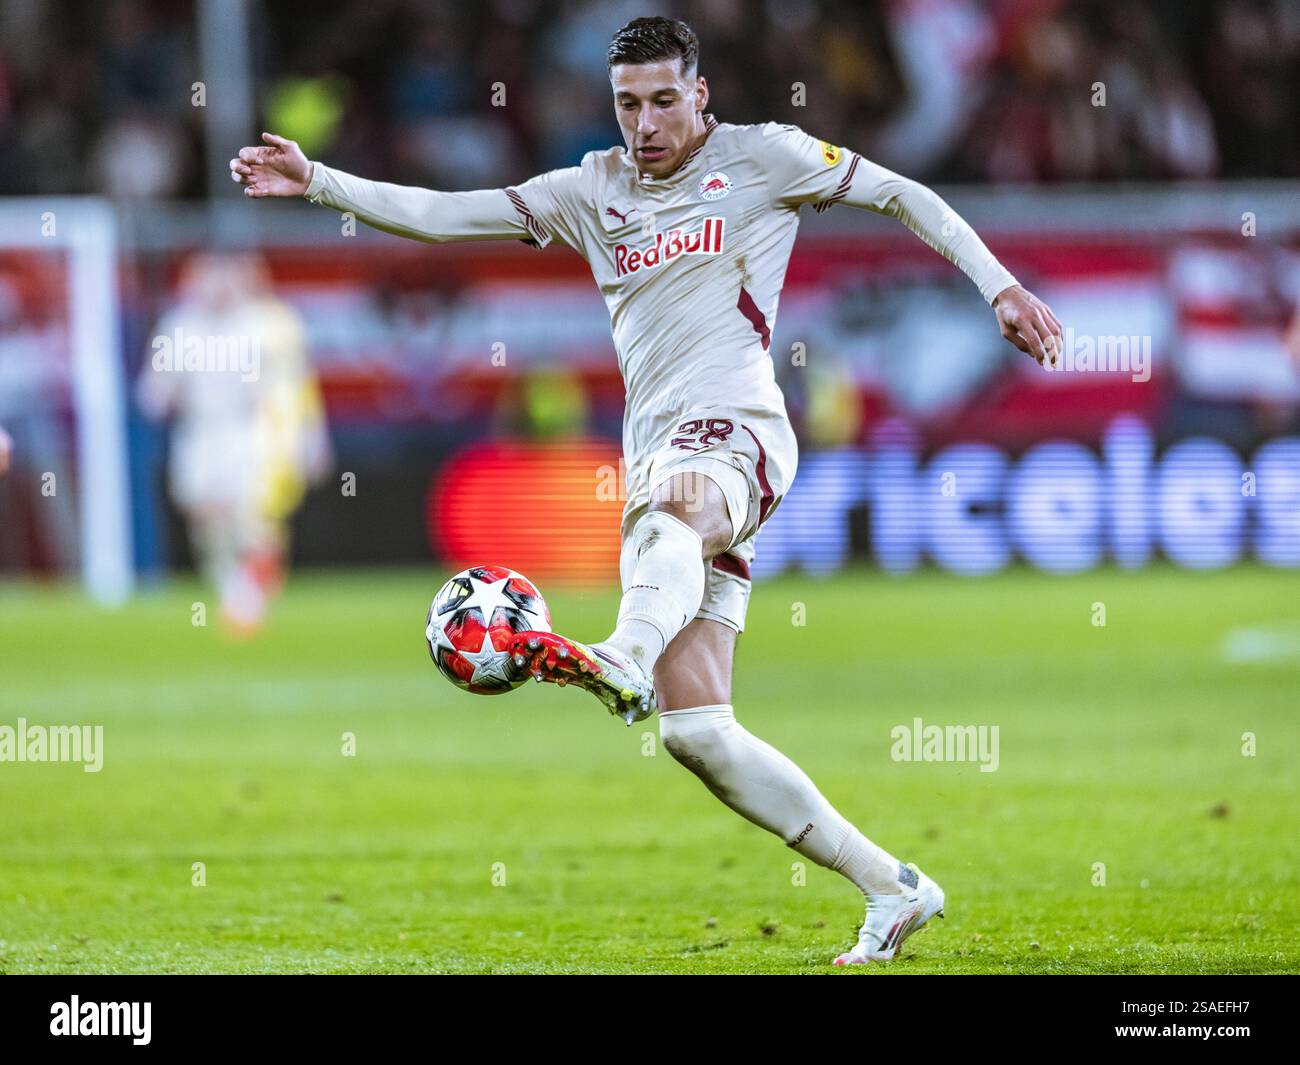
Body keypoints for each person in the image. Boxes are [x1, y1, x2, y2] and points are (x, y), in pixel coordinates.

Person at [231, 15, 1062, 964]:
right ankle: (892, 885)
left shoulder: (766, 159)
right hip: (658, 452)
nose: (647, 122)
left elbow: (902, 193)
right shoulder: (593, 189)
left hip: (741, 432)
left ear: (700, 94)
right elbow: (442, 213)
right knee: (698, 731)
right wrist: (319, 182)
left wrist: (998, 285)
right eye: (629, 103)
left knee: (678, 512)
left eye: (665, 99)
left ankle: (624, 648)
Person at [137, 253, 330, 635]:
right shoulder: (178, 328)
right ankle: (230, 589)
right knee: (206, 516)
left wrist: (309, 439)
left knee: (252, 517)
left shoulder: (263, 326)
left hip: (250, 431)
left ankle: (251, 596)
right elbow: (153, 394)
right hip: (198, 433)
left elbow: (294, 389)